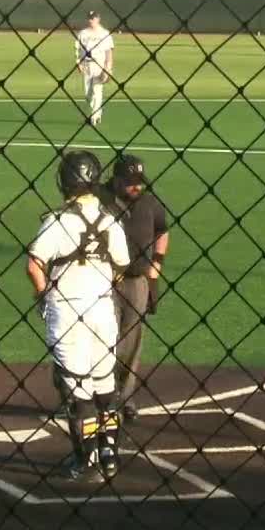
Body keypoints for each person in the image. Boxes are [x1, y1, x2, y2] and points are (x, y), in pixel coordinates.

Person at [27, 151, 130, 481]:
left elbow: (33, 264)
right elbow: (122, 266)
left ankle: (84, 461)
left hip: (67, 311)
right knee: (105, 386)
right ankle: (110, 456)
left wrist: (43, 295)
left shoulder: (57, 221)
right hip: (102, 310)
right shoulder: (110, 219)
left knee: (76, 390)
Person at [100, 155, 169, 421]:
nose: (136, 187)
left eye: (139, 182)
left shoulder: (149, 203)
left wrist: (157, 265)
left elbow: (162, 230)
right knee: (102, 339)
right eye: (130, 182)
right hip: (104, 282)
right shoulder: (100, 201)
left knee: (131, 341)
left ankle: (124, 398)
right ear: (116, 180)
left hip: (138, 280)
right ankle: (92, 395)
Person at [75, 10, 114, 126]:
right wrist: (78, 63)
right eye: (89, 18)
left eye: (93, 18)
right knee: (88, 94)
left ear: (98, 19)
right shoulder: (82, 33)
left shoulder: (105, 33)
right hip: (86, 65)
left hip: (99, 64)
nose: (91, 20)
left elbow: (109, 51)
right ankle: (98, 111)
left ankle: (95, 117)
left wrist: (108, 67)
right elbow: (77, 49)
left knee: (97, 90)